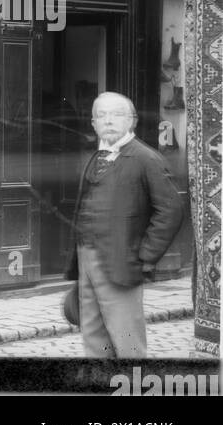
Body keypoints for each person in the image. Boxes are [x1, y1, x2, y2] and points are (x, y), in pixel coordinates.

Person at [66, 91, 184, 358]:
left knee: (126, 336)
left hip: (122, 259)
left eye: (117, 114)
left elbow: (171, 210)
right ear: (93, 124)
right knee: (93, 332)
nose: (108, 120)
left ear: (132, 121)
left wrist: (146, 256)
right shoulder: (96, 157)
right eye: (101, 115)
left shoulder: (146, 158)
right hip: (87, 259)